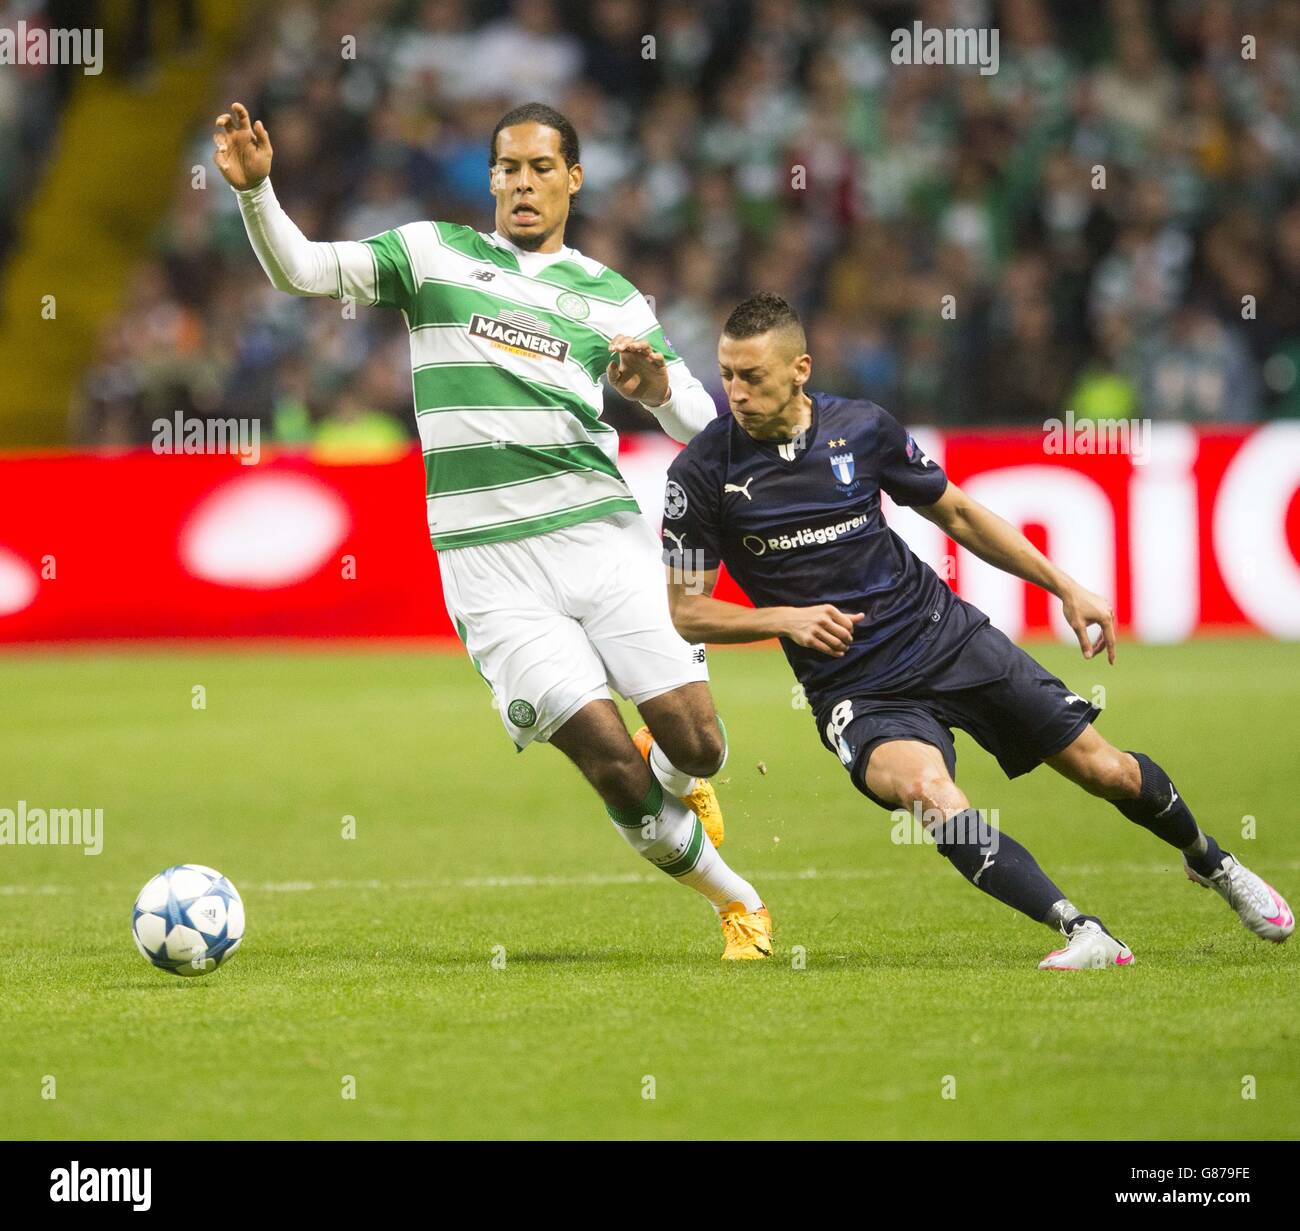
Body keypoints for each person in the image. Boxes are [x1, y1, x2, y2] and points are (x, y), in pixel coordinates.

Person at [213, 101, 770, 959]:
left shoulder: (610, 296)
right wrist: (258, 194)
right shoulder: (431, 255)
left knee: (700, 744)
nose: (522, 182)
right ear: (490, 180)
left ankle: (679, 771)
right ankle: (740, 904)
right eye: (507, 167)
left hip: (601, 540)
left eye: (542, 167)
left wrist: (654, 386)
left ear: (573, 180)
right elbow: (303, 270)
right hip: (489, 570)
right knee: (610, 765)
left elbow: (703, 423)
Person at [660, 292, 1292, 968]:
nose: (736, 392)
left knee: (1102, 768)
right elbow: (686, 608)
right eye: (727, 375)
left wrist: (1065, 587)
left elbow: (958, 514)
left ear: (800, 368)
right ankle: (1083, 930)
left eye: (752, 376)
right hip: (856, 689)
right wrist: (781, 618)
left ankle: (1214, 863)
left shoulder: (862, 430)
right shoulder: (700, 474)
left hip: (947, 636)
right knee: (931, 795)